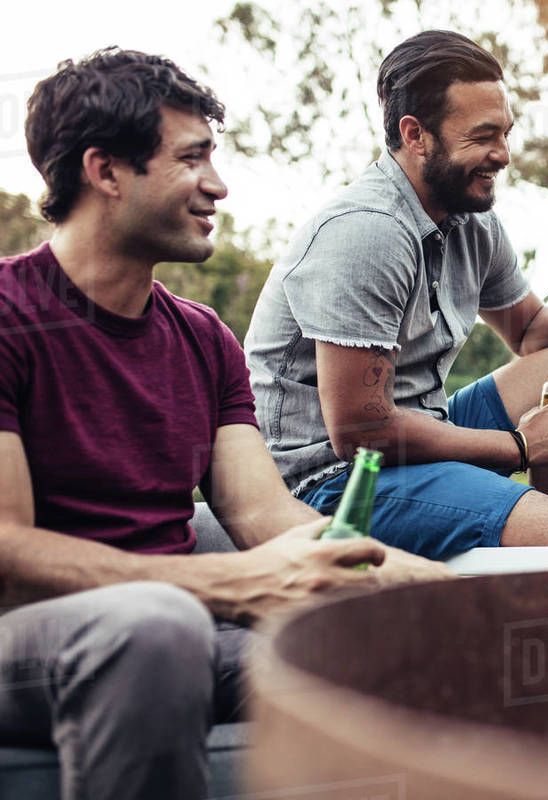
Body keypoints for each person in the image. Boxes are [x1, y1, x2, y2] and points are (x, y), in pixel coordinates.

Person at [0, 48, 452, 800]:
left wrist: (435, 593)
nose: (219, 184)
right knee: (151, 628)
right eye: (192, 159)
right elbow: (8, 551)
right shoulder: (9, 317)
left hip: (183, 625)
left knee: (393, 644)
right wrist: (226, 586)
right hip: (32, 636)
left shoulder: (203, 338)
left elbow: (265, 516)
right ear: (105, 171)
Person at [244, 30, 548, 560]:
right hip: (329, 479)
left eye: (506, 134)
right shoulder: (366, 232)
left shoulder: (470, 220)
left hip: (419, 437)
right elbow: (360, 431)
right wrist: (518, 447)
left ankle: (530, 550)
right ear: (415, 134)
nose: (503, 155)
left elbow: (531, 330)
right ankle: (546, 547)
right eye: (483, 136)